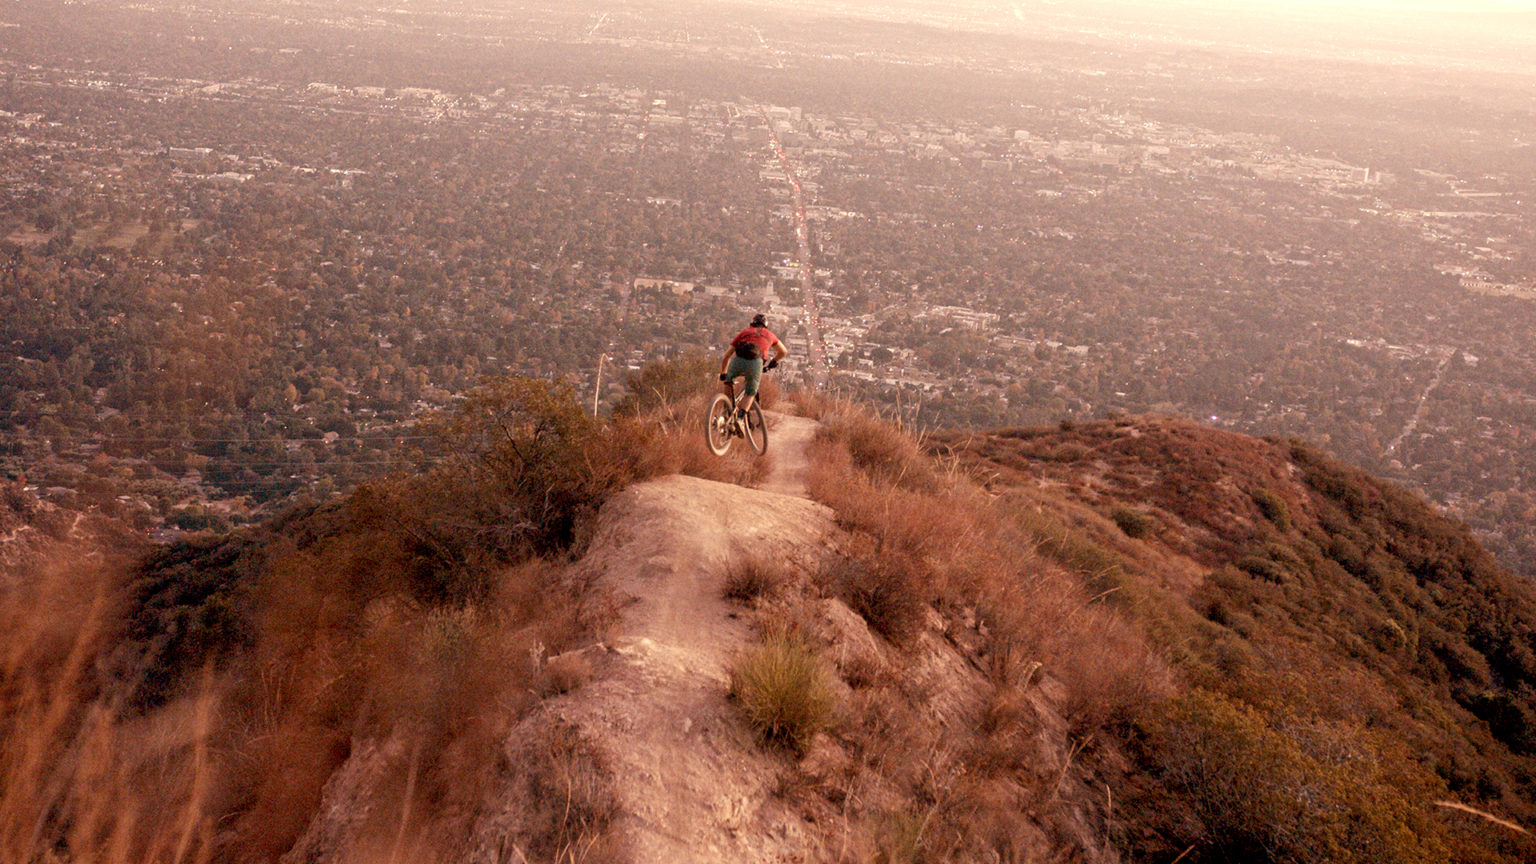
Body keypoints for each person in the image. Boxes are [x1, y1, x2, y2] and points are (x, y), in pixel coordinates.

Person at [719, 313, 787, 423]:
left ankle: (727, 409)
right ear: (765, 325)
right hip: (756, 363)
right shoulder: (769, 335)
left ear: (752, 324)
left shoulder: (744, 332)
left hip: (737, 360)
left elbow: (726, 356)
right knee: (750, 393)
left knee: (728, 381)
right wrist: (772, 363)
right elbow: (783, 351)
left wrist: (723, 373)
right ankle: (740, 419)